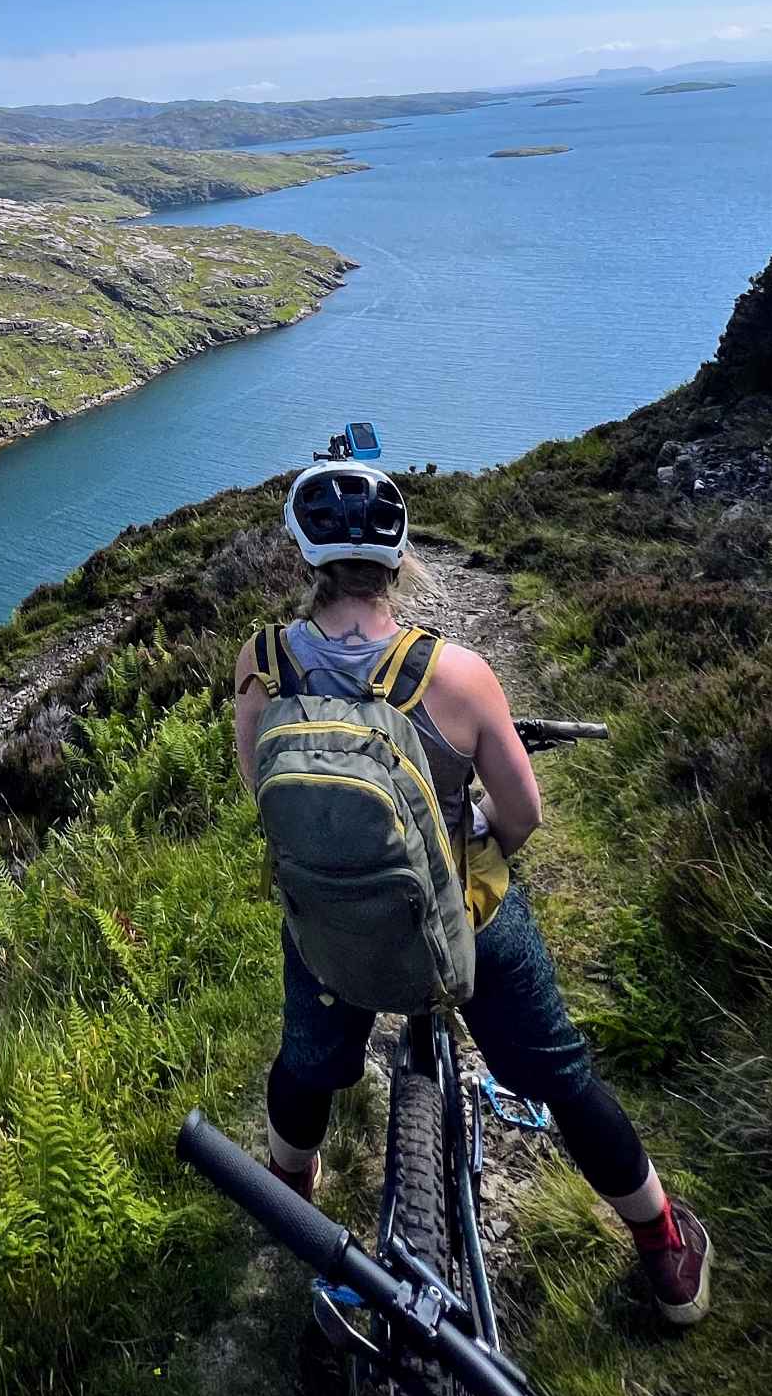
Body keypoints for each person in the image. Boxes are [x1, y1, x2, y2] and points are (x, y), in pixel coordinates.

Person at [233, 459, 713, 1328]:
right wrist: (476, 824)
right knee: (561, 1077)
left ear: (305, 555)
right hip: (462, 921)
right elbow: (522, 816)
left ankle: (288, 1199)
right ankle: (663, 1246)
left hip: (330, 921)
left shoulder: (261, 667)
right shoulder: (455, 675)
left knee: (304, 1064)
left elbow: (261, 796)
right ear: (399, 558)